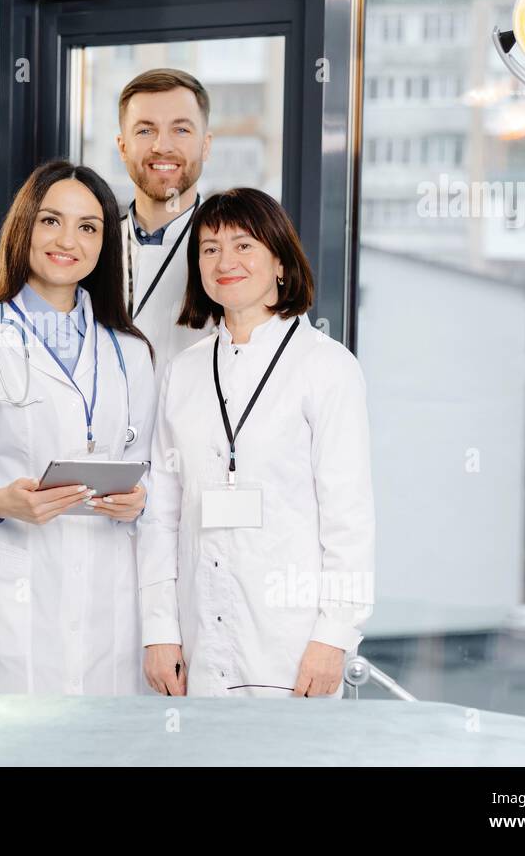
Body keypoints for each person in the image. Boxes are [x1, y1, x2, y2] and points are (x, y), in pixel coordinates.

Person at [138, 188, 375, 698]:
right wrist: (160, 631)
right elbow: (161, 513)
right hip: (198, 642)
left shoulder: (327, 368)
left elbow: (348, 519)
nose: (225, 261)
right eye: (210, 248)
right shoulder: (184, 372)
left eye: (244, 245)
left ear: (281, 263)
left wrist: (334, 637)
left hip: (291, 648)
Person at [0, 160, 157, 694]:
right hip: (12, 592)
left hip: (110, 603)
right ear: (23, 228)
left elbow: (150, 472)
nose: (68, 241)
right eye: (51, 221)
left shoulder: (132, 352)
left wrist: (139, 500)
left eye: (88, 227)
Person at [115, 68, 213, 377]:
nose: (162, 146)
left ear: (205, 146)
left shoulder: (236, 256)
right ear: (122, 147)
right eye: (145, 131)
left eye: (181, 130)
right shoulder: (89, 246)